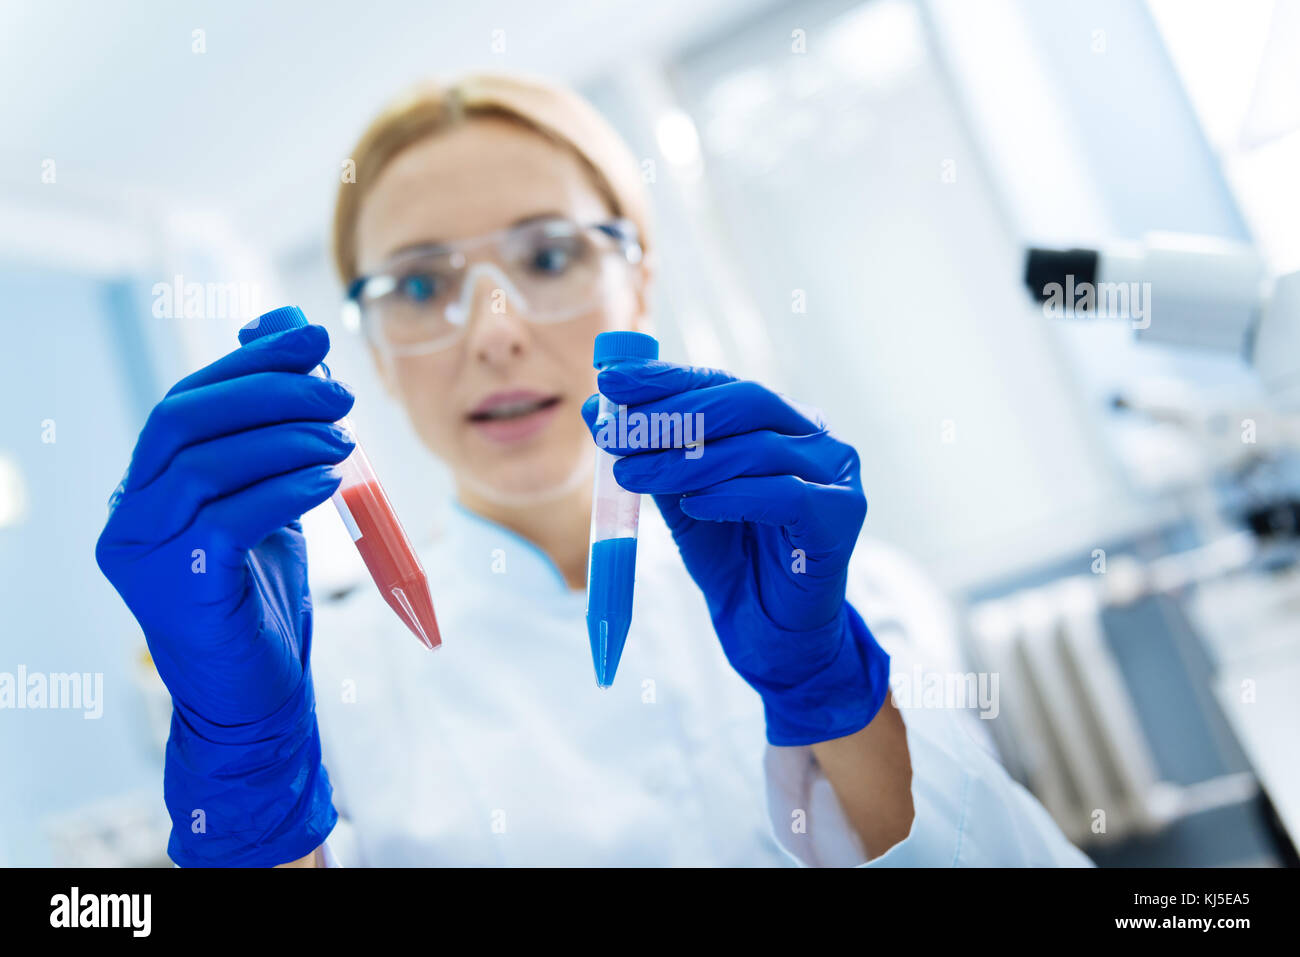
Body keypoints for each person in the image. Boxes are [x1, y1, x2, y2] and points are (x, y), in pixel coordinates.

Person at [96, 72, 1092, 867]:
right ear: (371, 347)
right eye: (419, 283)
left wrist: (833, 686)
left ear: (639, 281)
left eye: (548, 256)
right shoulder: (329, 678)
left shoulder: (852, 593)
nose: (494, 333)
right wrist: (243, 770)